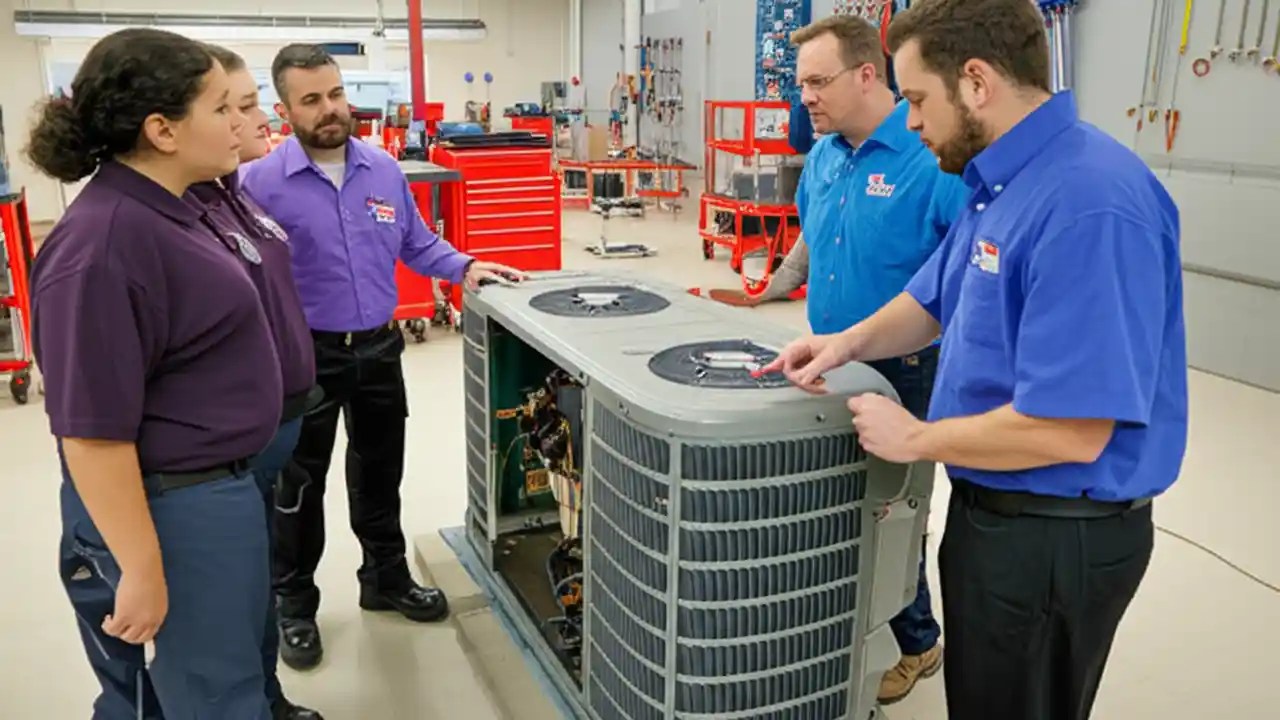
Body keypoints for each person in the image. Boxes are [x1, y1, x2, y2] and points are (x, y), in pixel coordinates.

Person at [766, 1, 1188, 718]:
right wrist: (846, 343)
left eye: (921, 99)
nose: (913, 121)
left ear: (977, 82)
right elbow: (930, 301)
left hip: (1057, 534)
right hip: (996, 509)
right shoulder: (1001, 184)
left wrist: (919, 438)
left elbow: (1074, 430)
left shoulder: (1090, 204)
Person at [241, 43, 525, 671]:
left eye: (335, 94)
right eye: (311, 100)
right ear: (284, 109)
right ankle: (293, 604)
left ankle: (385, 579)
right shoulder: (256, 184)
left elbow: (418, 244)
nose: (329, 109)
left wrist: (468, 267)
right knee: (299, 486)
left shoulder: (382, 169)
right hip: (305, 358)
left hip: (378, 348)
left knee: (379, 470)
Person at [26, 28, 280, 719]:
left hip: (210, 492)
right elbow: (90, 434)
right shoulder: (103, 247)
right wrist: (139, 567)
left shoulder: (175, 209)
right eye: (223, 108)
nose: (244, 123)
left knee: (222, 678)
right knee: (210, 698)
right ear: (163, 129)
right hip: (170, 506)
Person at [788, 14, 971, 705]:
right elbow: (814, 237)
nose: (805, 95)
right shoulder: (829, 154)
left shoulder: (932, 160)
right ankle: (846, 619)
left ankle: (920, 643)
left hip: (907, 368)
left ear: (869, 74)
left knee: (890, 513)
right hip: (830, 359)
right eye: (800, 81)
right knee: (836, 504)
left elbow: (963, 276)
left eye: (817, 80)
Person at [183, 45, 323, 720]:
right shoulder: (171, 217)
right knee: (224, 621)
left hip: (268, 444)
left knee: (253, 597)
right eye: (232, 107)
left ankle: (269, 699)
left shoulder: (231, 193)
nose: (256, 118)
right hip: (216, 469)